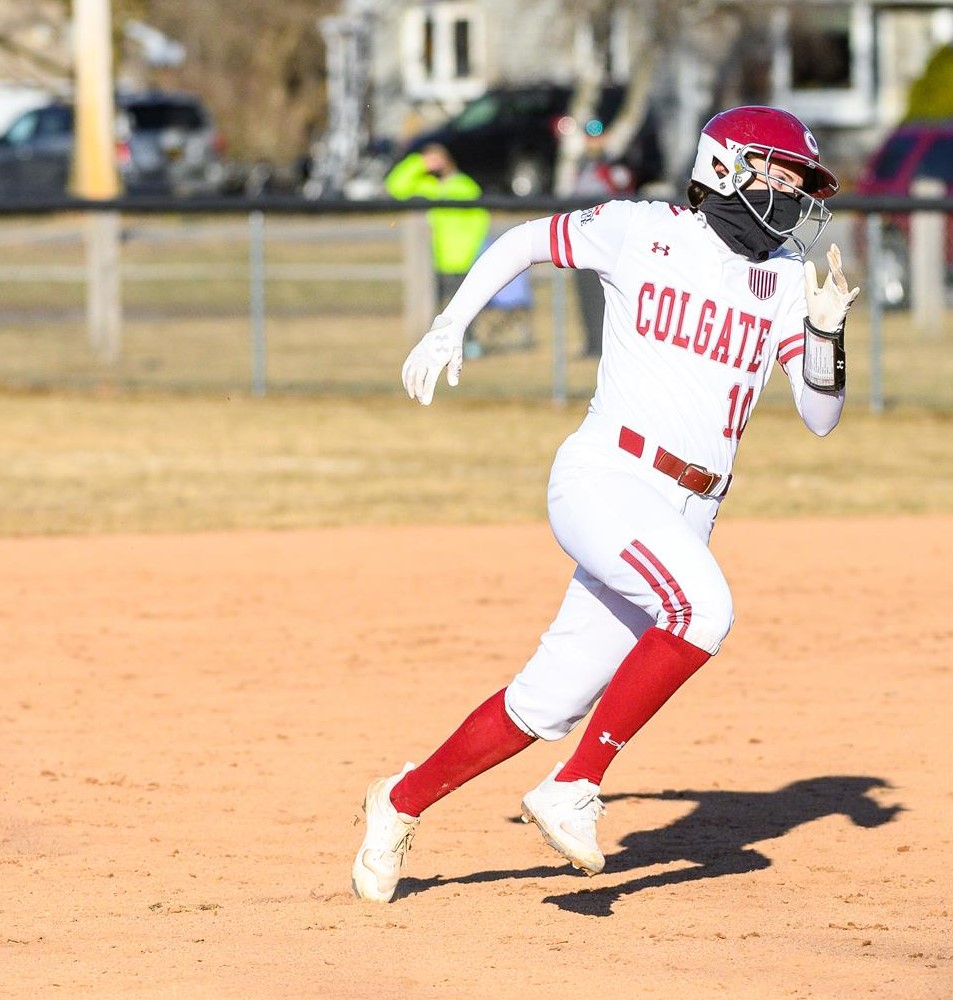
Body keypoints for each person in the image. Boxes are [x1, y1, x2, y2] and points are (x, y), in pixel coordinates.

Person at [353, 106, 860, 903]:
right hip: (607, 476)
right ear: (723, 167)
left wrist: (827, 335)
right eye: (779, 171)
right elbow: (525, 239)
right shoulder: (644, 229)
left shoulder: (789, 279)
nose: (793, 191)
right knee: (703, 610)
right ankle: (576, 784)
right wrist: (452, 324)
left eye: (801, 180)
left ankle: (399, 800)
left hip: (692, 508)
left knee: (545, 700)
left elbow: (821, 418)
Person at [384, 142, 490, 302]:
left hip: (462, 260)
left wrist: (472, 250)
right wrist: (419, 163)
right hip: (432, 261)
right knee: (432, 309)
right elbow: (395, 186)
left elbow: (480, 221)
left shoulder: (465, 186)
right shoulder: (425, 186)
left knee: (461, 310)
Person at [571, 134, 638, 358]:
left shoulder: (615, 168)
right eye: (589, 137)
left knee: (608, 298)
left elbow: (625, 193)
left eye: (597, 137)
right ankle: (592, 343)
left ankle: (605, 345)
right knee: (587, 296)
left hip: (610, 245)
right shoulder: (580, 167)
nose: (592, 143)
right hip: (584, 243)